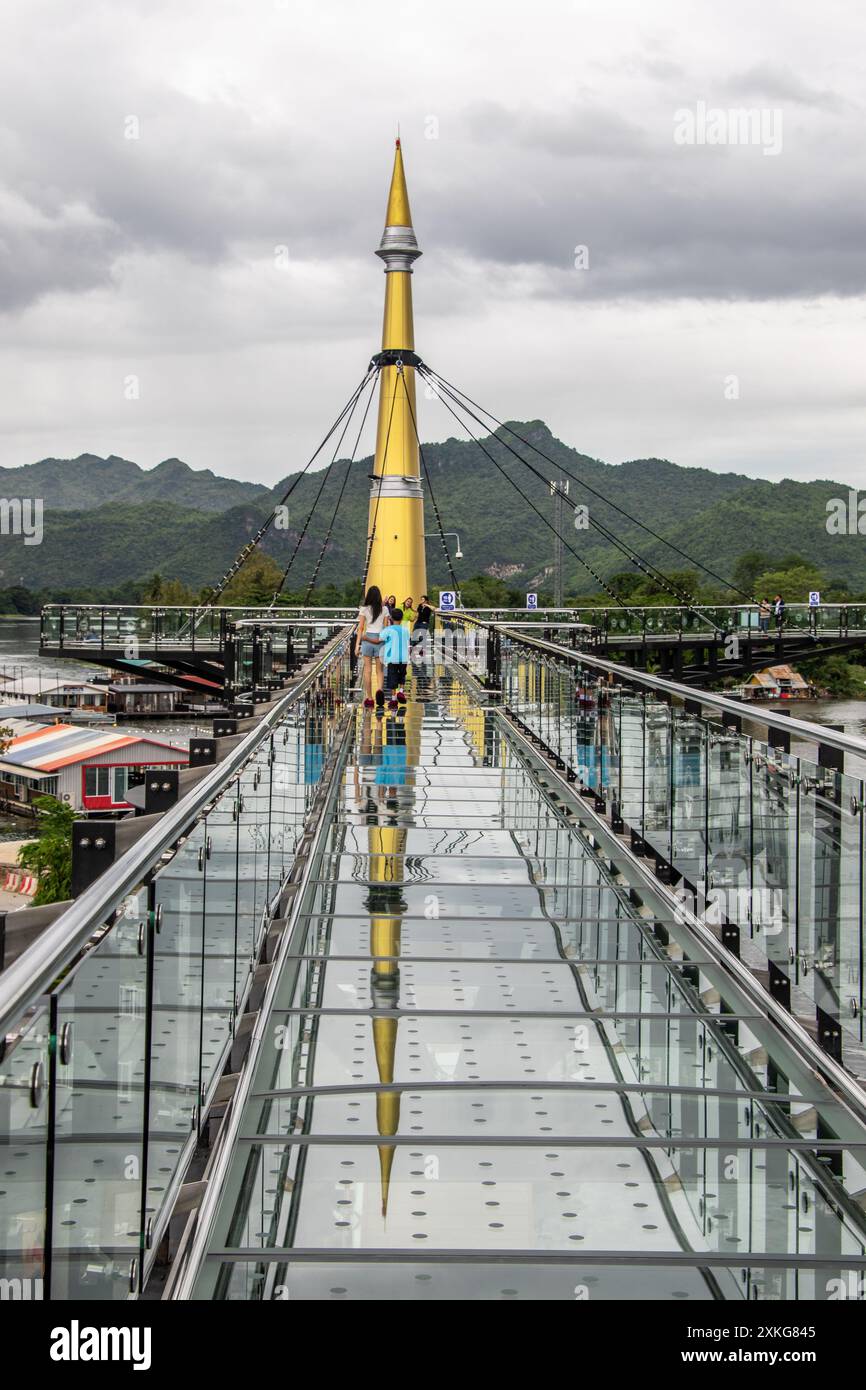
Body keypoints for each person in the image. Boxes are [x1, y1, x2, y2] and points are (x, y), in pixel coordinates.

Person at [356, 584, 386, 708]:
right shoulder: (385, 610)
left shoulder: (364, 609)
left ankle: (369, 698)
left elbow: (361, 628)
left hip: (367, 639)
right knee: (379, 671)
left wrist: (357, 645)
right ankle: (379, 689)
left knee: (367, 670)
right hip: (380, 640)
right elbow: (385, 628)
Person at [380, 607, 410, 707]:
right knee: (402, 675)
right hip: (404, 657)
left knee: (392, 677)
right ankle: (401, 691)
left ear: (391, 618)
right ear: (401, 619)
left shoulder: (388, 629)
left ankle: (393, 699)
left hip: (392, 658)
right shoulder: (406, 630)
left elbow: (381, 638)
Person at [411, 593, 433, 659]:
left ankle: (422, 649)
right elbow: (417, 612)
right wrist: (412, 609)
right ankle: (414, 648)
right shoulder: (419, 606)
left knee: (423, 635)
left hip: (424, 623)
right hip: (418, 622)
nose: (421, 600)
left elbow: (434, 609)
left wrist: (426, 605)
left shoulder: (428, 606)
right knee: (414, 635)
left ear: (426, 600)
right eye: (421, 599)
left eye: (423, 599)